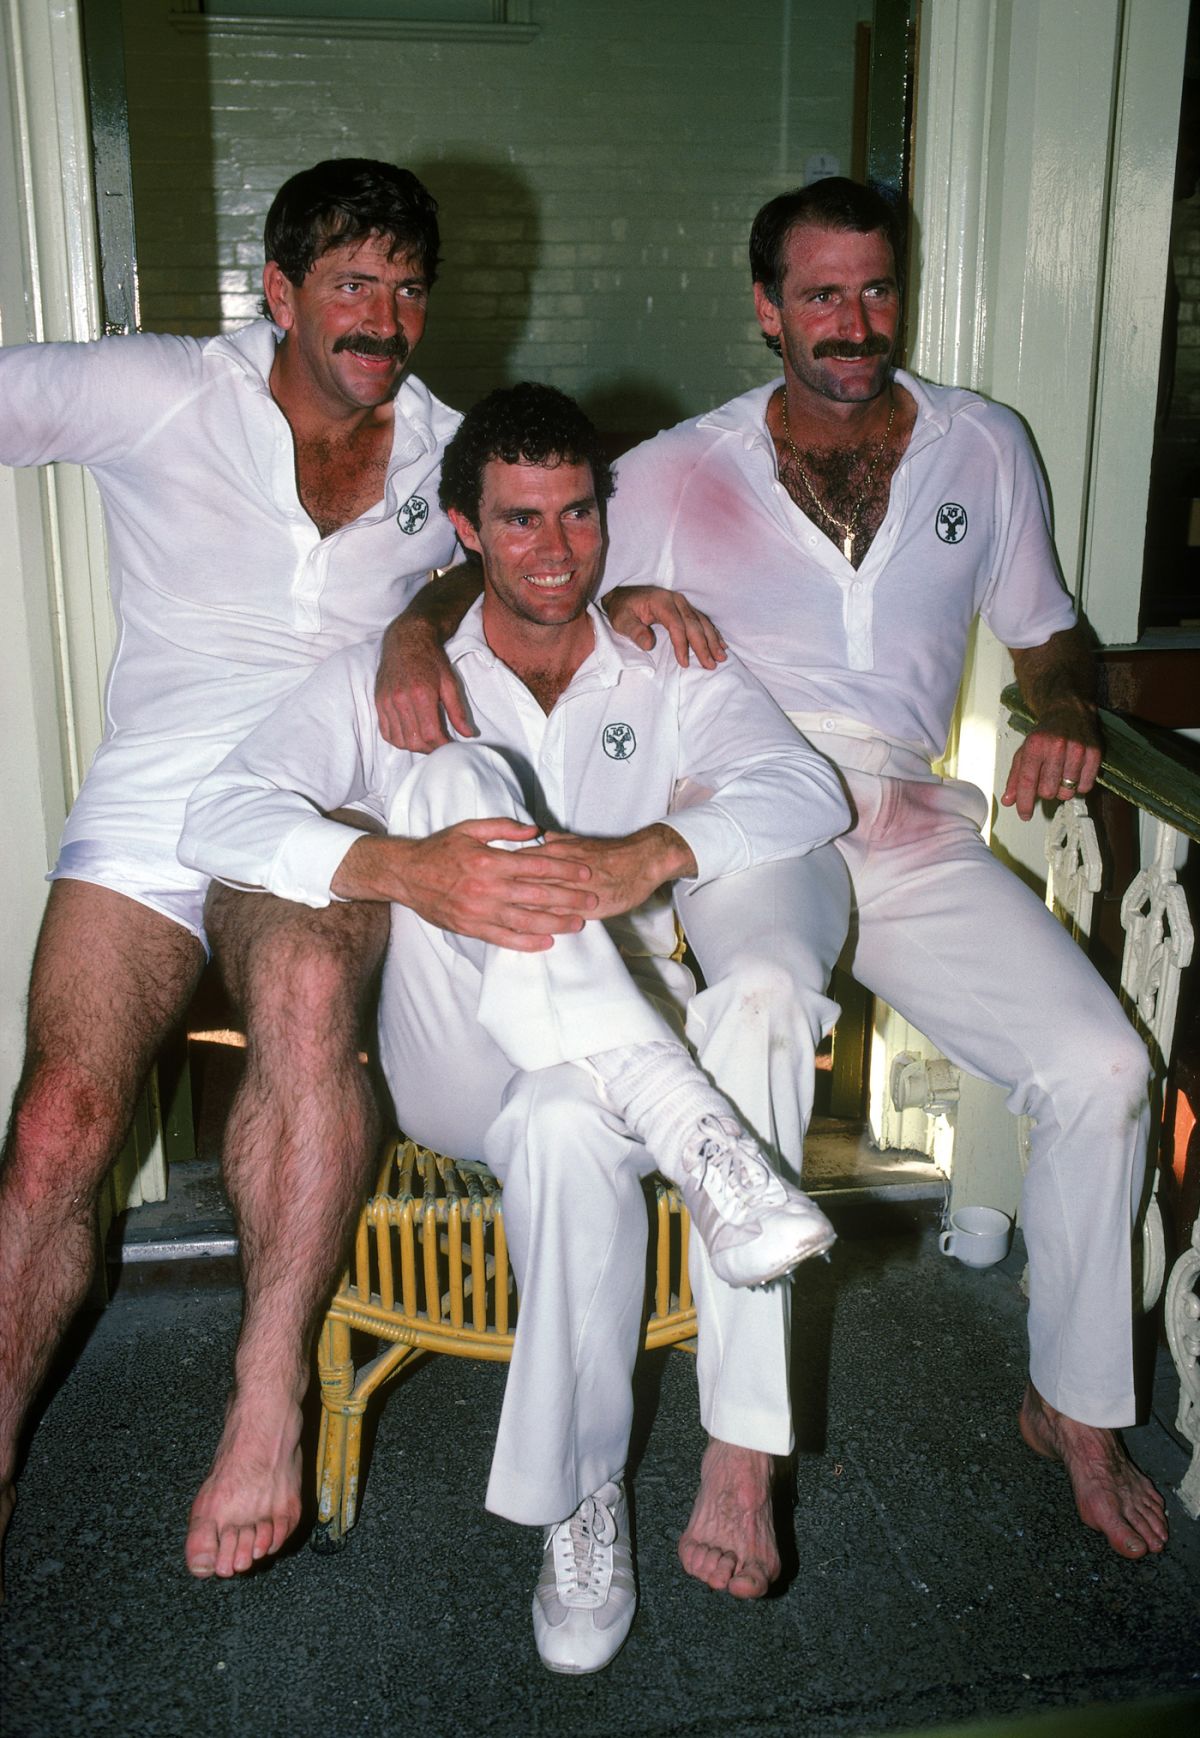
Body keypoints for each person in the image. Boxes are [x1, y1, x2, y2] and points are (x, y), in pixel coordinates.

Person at [379, 178, 1171, 1567]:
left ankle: (1080, 1406)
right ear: (767, 308)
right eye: (821, 296)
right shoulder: (684, 467)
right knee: (753, 994)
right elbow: (525, 547)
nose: (854, 323)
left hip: (914, 821)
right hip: (749, 822)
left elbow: (1051, 637)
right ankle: (742, 1453)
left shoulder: (985, 448)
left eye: (876, 290)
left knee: (1104, 1064)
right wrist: (410, 632)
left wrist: (1061, 710)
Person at [0, 158, 612, 1594]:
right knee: (58, 1119)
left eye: (408, 289)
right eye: (352, 283)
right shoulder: (160, 389)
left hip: (325, 792)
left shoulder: (449, 449)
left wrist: (440, 609)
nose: (385, 317)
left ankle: (264, 1386)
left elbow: (540, 544)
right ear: (276, 292)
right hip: (158, 798)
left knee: (307, 986)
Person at [180, 382, 852, 1673]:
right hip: (452, 1055)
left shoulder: (663, 658)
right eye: (522, 520)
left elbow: (799, 789)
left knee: (558, 1119)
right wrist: (401, 870)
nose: (557, 550)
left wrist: (648, 851)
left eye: (581, 515)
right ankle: (690, 1115)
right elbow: (215, 815)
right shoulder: (405, 675)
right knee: (444, 776)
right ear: (465, 531)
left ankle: (581, 1502)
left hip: (585, 1070)